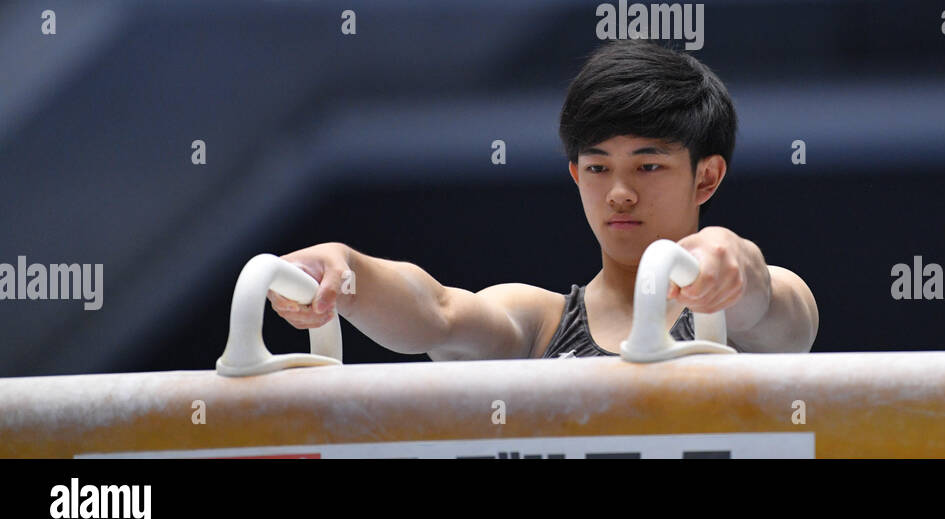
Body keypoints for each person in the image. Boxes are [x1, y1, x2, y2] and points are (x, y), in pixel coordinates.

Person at [269, 38, 818, 359]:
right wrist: (348, 273)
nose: (620, 193)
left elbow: (761, 299)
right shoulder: (540, 326)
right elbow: (437, 313)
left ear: (707, 177)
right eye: (599, 168)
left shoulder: (769, 303)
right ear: (577, 176)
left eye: (648, 166)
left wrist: (727, 255)